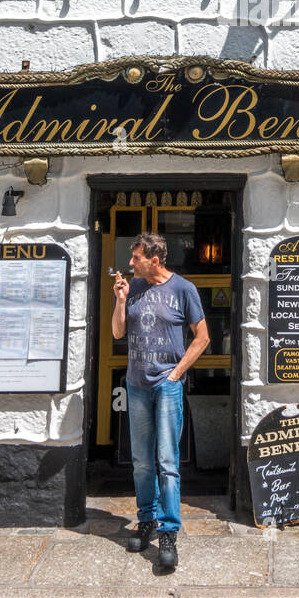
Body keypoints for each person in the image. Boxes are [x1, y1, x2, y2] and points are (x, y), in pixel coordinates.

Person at [112, 233, 209, 571]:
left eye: (136, 258)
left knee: (167, 461)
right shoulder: (134, 287)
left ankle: (168, 532)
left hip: (166, 386)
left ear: (154, 260)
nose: (131, 263)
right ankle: (146, 520)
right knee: (141, 461)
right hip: (136, 384)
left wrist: (176, 373)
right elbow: (117, 333)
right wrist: (121, 300)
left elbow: (203, 337)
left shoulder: (183, 290)